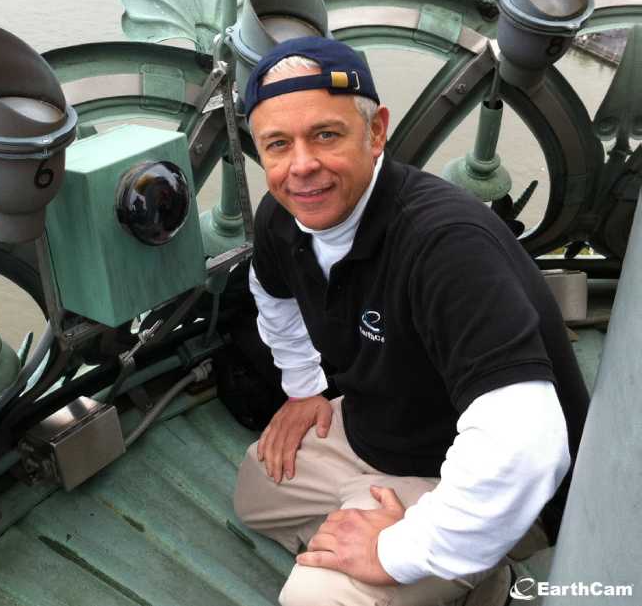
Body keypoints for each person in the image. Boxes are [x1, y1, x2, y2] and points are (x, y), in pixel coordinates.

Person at [231, 36, 589, 606]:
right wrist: (304, 389)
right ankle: (378, 529)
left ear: (376, 133)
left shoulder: (445, 245)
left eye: (325, 134)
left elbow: (528, 444)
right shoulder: (284, 220)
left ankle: (482, 571)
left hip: (463, 467)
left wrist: (401, 548)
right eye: (278, 144)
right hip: (379, 431)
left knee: (314, 600)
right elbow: (270, 294)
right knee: (257, 491)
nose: (302, 167)